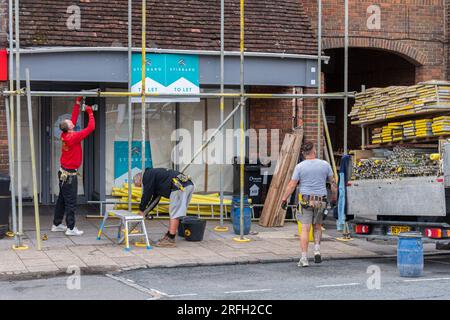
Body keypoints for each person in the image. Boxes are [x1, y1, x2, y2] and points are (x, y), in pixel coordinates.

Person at [281, 141, 337, 267]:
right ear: (314, 151)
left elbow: (292, 185)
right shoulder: (325, 164)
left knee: (305, 229)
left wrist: (284, 199)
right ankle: (317, 249)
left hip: (306, 200)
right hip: (321, 200)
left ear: (303, 153)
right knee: (317, 226)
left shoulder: (300, 167)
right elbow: (333, 184)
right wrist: (334, 198)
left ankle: (304, 258)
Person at [52, 96, 95, 236]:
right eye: (70, 122)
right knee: (71, 202)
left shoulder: (66, 135)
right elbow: (91, 127)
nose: (72, 121)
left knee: (62, 199)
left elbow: (74, 119)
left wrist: (77, 103)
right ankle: (71, 228)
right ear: (70, 127)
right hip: (69, 175)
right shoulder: (73, 137)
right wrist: (90, 112)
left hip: (63, 173)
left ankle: (57, 224)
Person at [134, 168, 194, 248]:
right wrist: (146, 211)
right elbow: (155, 199)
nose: (143, 186)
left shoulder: (147, 176)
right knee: (176, 213)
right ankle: (169, 235)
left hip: (179, 186)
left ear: (140, 178)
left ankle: (170, 239)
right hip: (187, 184)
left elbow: (146, 195)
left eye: (141, 185)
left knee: (175, 213)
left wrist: (141, 210)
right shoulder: (154, 175)